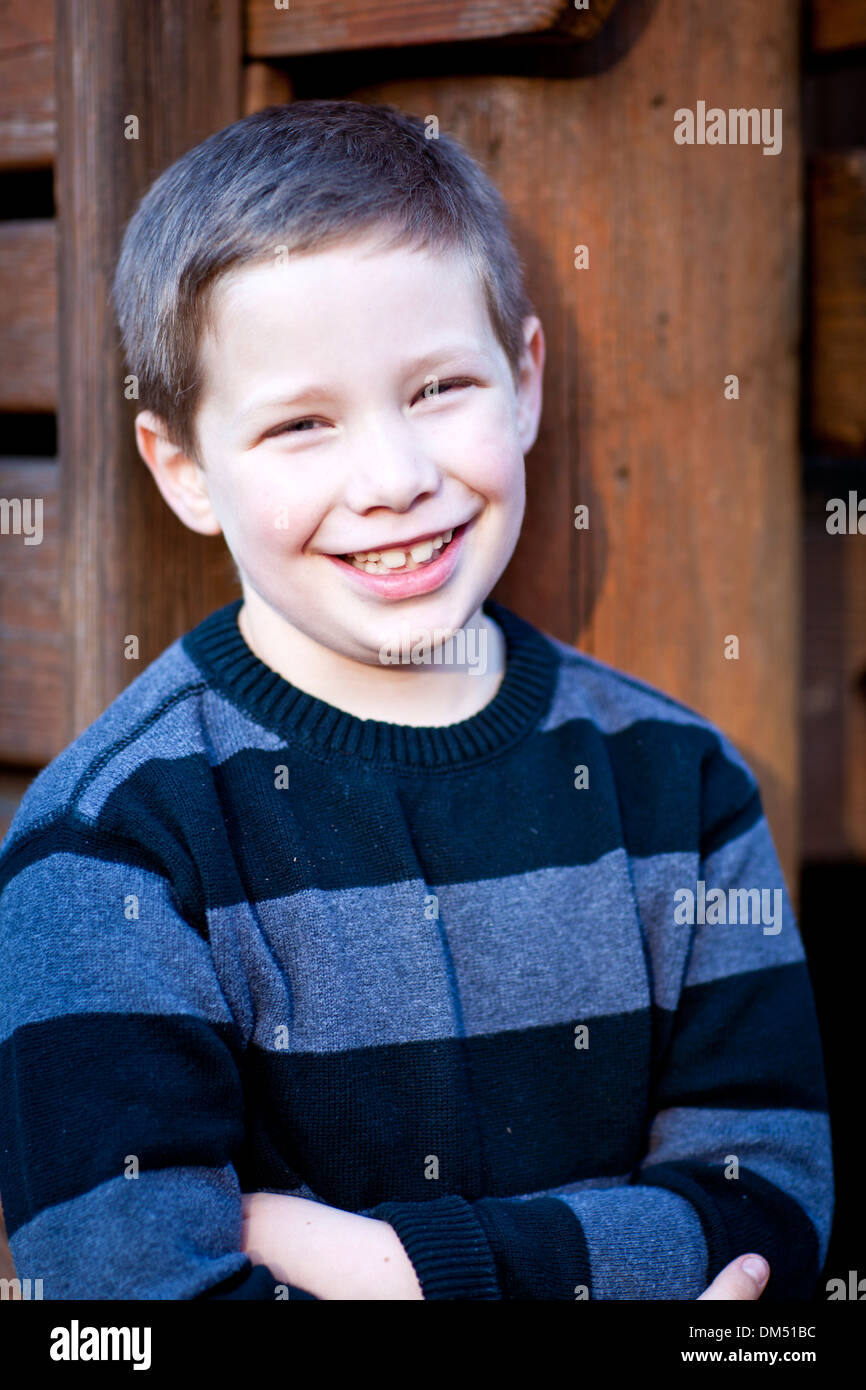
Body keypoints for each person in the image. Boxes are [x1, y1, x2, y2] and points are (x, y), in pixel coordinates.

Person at [0, 101, 832, 1300]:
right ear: (182, 469)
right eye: (300, 423)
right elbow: (121, 1308)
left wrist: (390, 1266)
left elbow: (769, 1214)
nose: (393, 478)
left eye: (439, 387)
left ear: (524, 380)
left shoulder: (680, 783)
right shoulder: (113, 848)